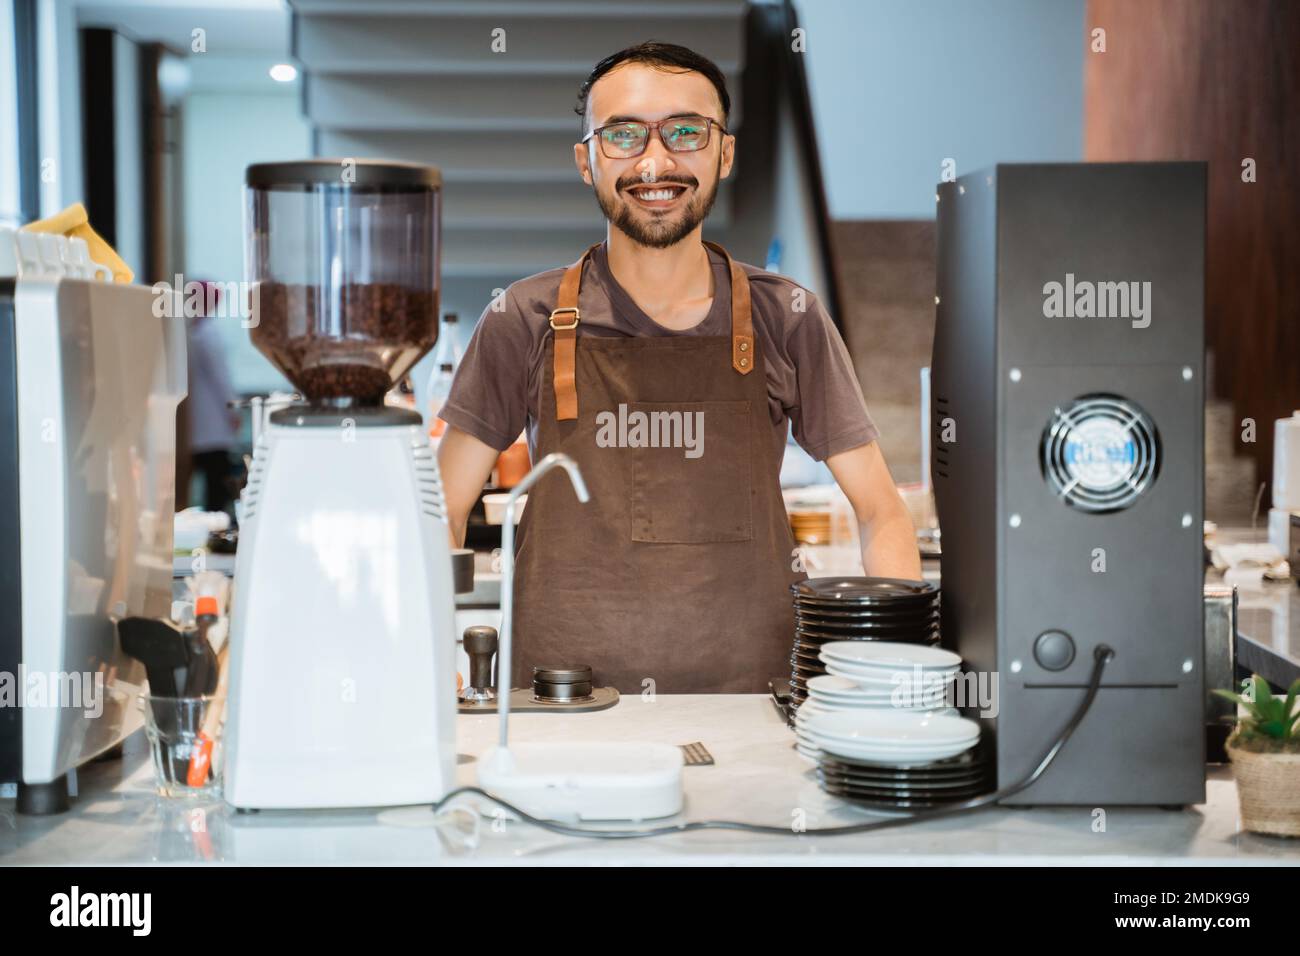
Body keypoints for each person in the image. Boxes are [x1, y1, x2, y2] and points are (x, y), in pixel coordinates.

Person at [436, 42, 920, 694]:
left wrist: (894, 669)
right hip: (559, 709)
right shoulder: (521, 317)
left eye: (687, 132)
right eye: (624, 136)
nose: (656, 162)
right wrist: (422, 659)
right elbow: (440, 505)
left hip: (753, 702)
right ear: (587, 161)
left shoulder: (789, 317)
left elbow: (881, 512)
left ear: (725, 153)